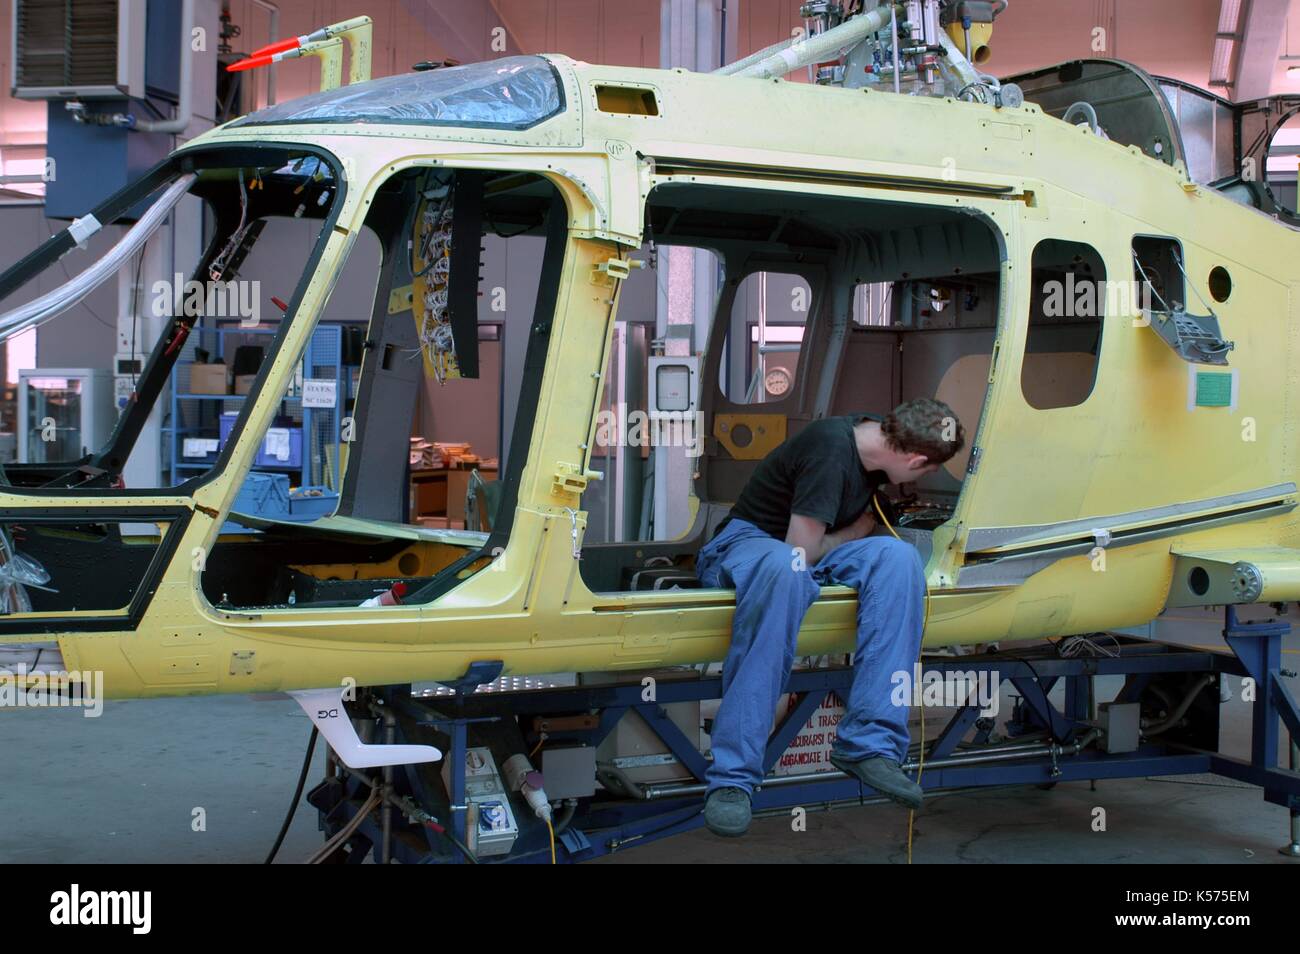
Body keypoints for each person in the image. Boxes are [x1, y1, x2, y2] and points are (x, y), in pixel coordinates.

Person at [699, 397, 965, 837]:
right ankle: (732, 778)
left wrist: (861, 531)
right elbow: (799, 556)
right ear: (916, 459)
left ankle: (870, 745)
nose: (924, 477)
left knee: (899, 559)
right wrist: (857, 531)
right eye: (927, 470)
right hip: (754, 548)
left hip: (804, 550)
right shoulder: (829, 452)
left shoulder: (879, 431)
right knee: (786, 574)